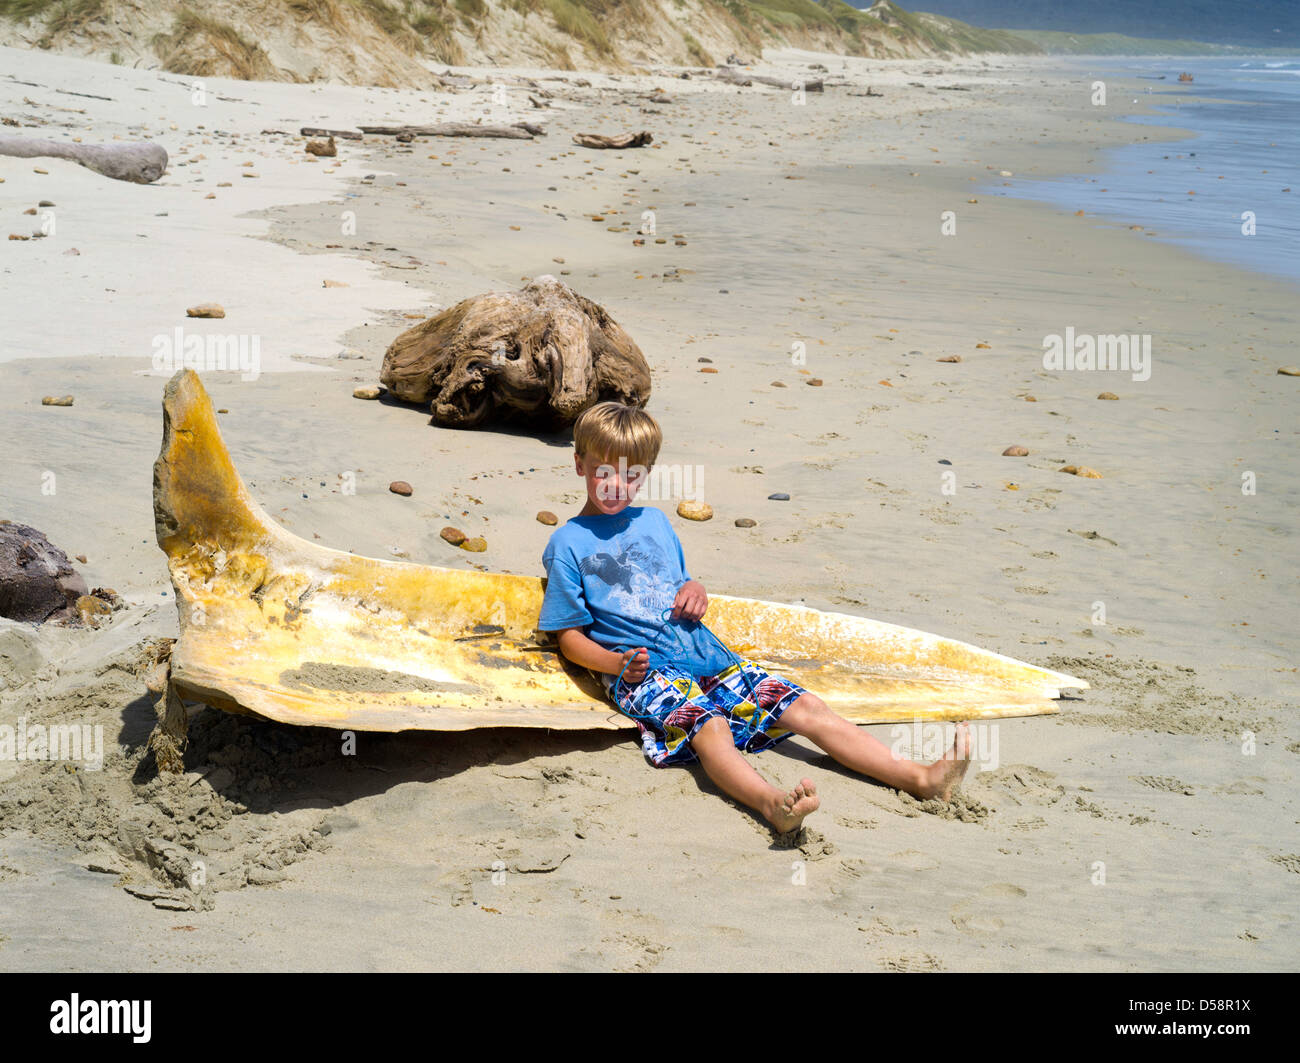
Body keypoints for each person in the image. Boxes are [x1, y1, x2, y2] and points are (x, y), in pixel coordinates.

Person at [537, 401, 972, 834]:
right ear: (580, 464)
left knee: (806, 706)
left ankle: (921, 780)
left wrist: (695, 590)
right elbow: (568, 638)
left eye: (632, 474)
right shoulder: (569, 544)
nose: (618, 484)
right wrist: (617, 665)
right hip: (644, 672)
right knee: (710, 726)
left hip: (709, 656)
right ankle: (772, 805)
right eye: (604, 471)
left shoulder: (654, 522)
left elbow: (679, 582)